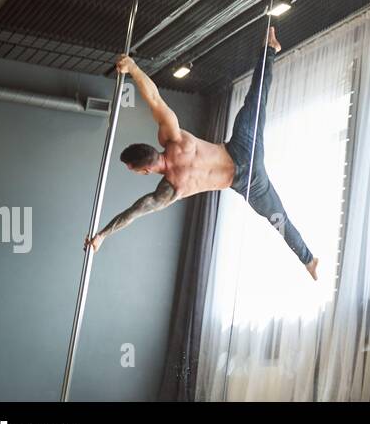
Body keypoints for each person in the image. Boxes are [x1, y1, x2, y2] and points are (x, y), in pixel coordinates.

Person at [85, 26, 320, 276]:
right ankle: (269, 49)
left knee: (279, 221)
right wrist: (132, 67)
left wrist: (102, 235)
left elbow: (135, 211)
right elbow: (154, 98)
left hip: (246, 180)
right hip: (241, 149)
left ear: (144, 171)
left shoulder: (170, 188)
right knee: (256, 98)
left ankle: (309, 260)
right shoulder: (173, 139)